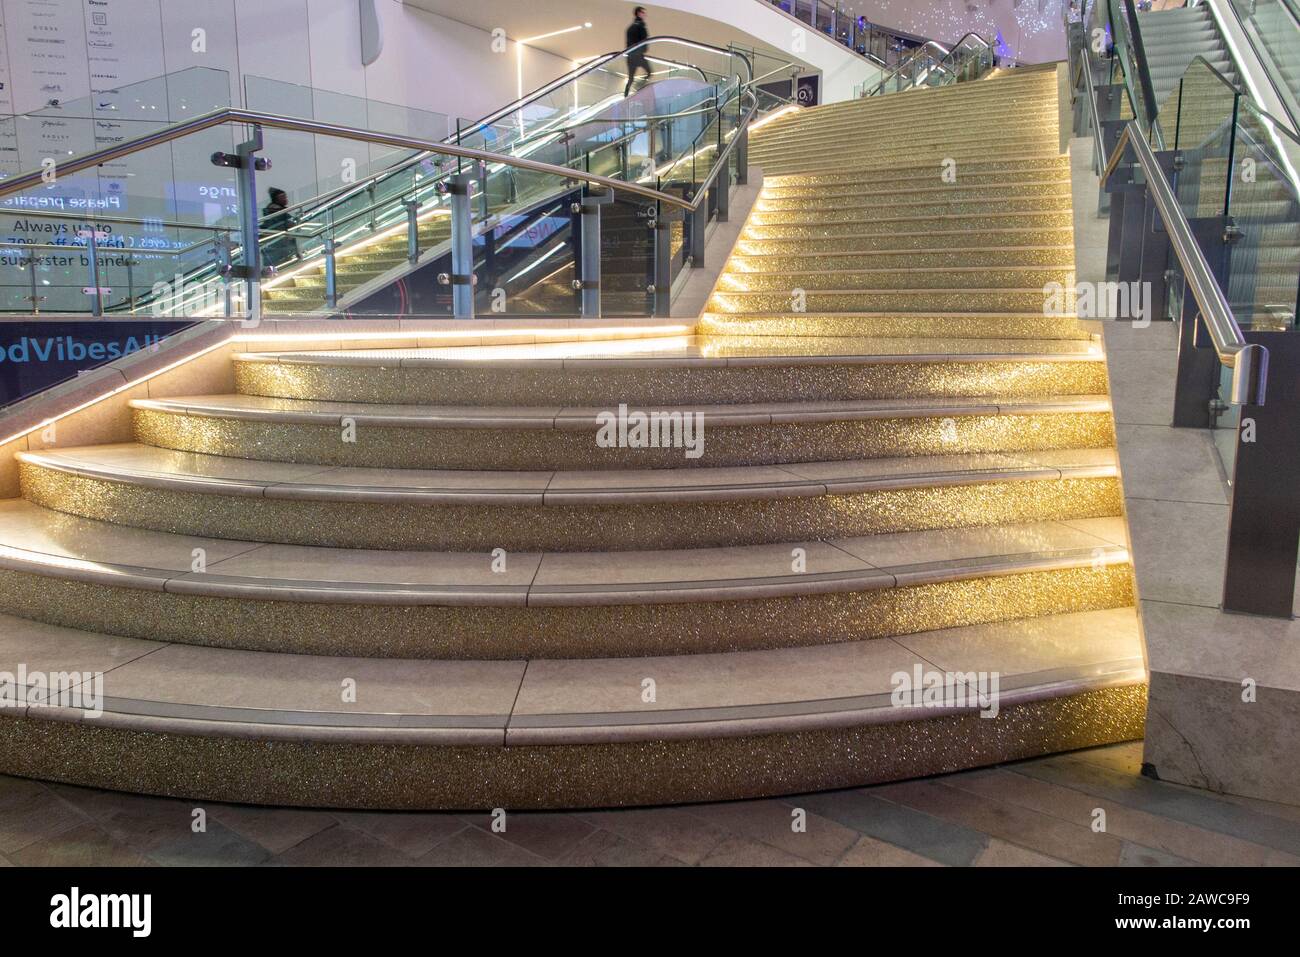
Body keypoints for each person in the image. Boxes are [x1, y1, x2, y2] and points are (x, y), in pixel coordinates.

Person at [261, 187, 294, 271]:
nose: (285, 199)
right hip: (280, 246)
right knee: (283, 267)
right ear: (276, 199)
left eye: (285, 197)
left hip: (275, 246)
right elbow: (289, 224)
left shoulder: (271, 212)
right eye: (282, 197)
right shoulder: (278, 213)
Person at [624, 7, 650, 97]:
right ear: (638, 13)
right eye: (643, 12)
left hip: (631, 56)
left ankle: (626, 95)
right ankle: (639, 87)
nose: (645, 14)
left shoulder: (631, 27)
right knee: (649, 72)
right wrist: (643, 49)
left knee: (631, 78)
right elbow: (643, 41)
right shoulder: (640, 26)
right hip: (638, 55)